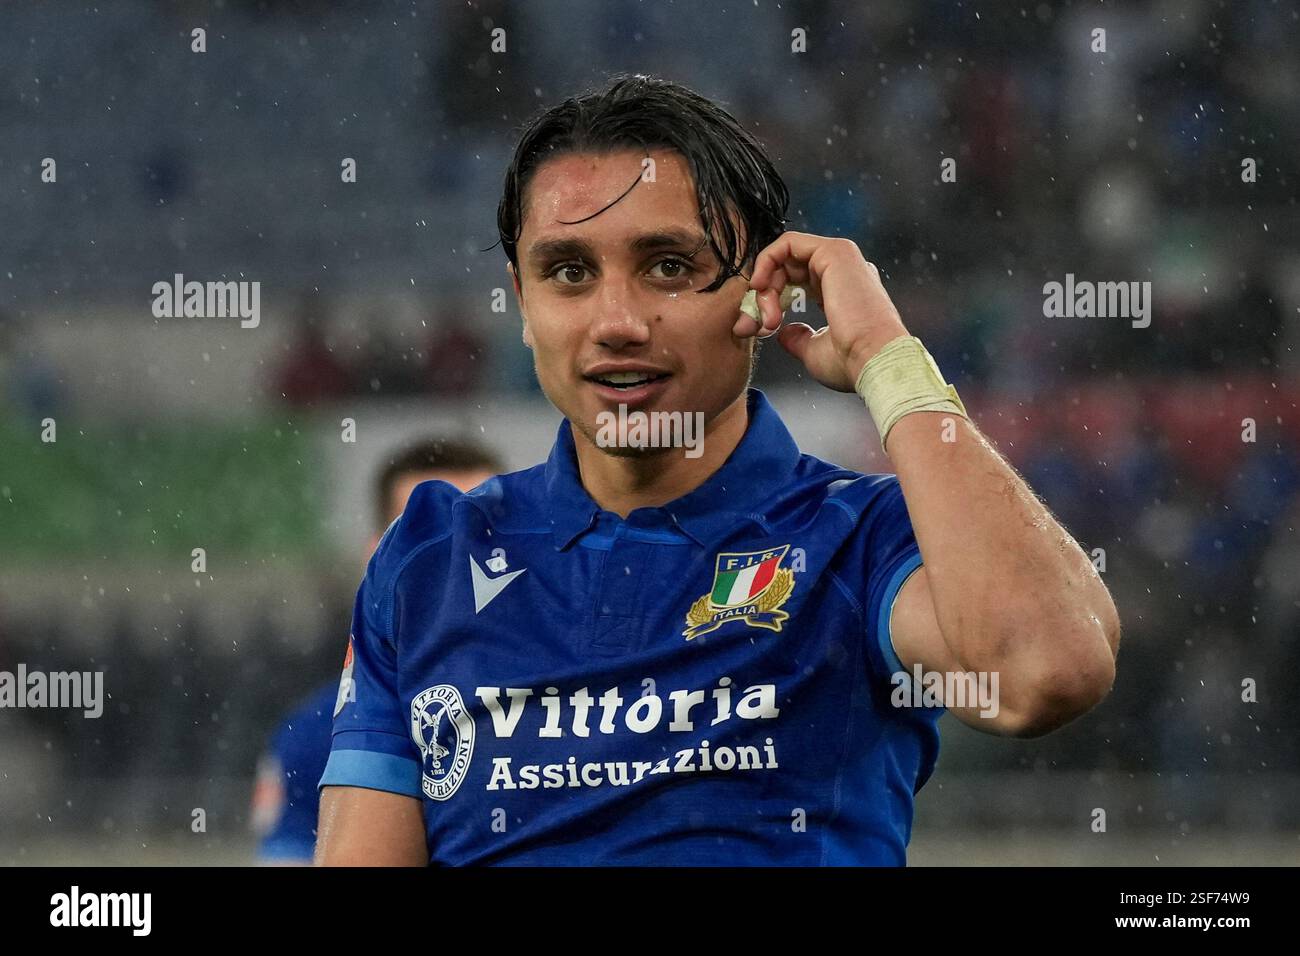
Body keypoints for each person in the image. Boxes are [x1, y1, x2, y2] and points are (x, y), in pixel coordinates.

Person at [316, 74, 1121, 866]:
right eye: (569, 273)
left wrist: (888, 359)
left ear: (762, 295)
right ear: (521, 304)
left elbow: (1047, 670)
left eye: (668, 266)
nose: (618, 322)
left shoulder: (859, 537)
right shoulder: (427, 553)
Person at [250, 437, 503, 863]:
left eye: (482, 532)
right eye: (428, 539)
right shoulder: (315, 735)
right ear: (379, 558)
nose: (460, 558)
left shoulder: (588, 707)